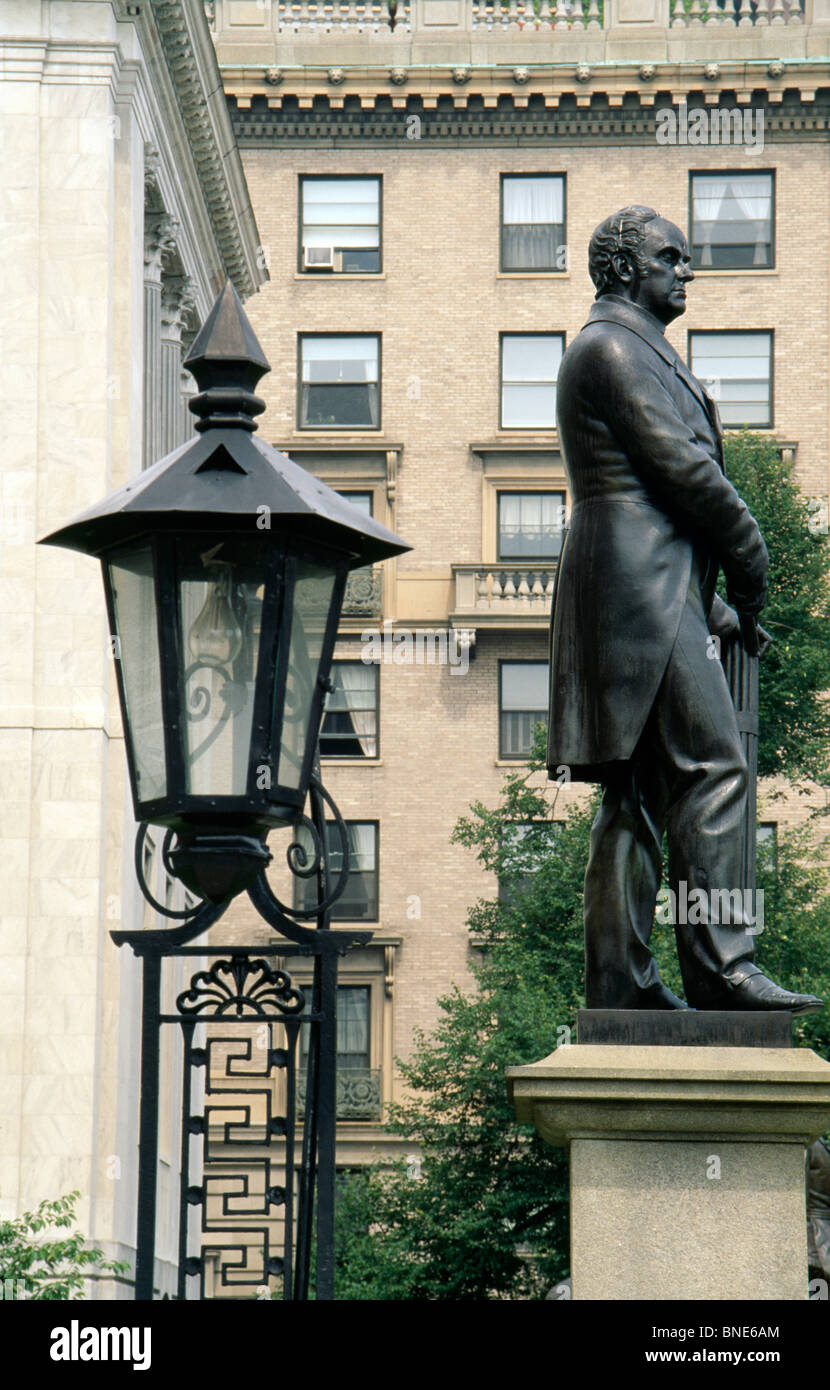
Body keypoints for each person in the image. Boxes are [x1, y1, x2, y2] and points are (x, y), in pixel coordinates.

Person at [547, 205, 822, 1014]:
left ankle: (621, 987)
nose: (688, 270)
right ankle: (723, 967)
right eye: (672, 256)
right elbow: (690, 477)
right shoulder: (610, 348)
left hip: (641, 593)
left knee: (630, 789)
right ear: (626, 268)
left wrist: (714, 611)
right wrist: (750, 571)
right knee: (714, 769)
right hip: (640, 594)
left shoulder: (634, 350)